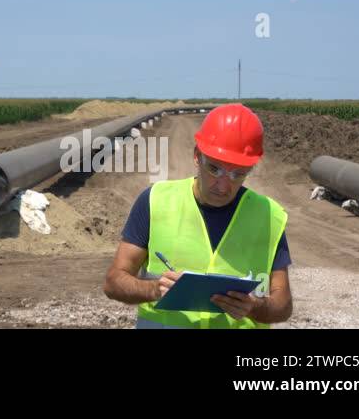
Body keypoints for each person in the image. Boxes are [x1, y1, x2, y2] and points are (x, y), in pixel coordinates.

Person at [103, 103, 292, 329]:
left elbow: (283, 305)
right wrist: (154, 289)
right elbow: (114, 281)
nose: (223, 185)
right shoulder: (155, 201)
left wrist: (254, 307)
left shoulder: (269, 215)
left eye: (237, 174)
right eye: (214, 169)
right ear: (197, 156)